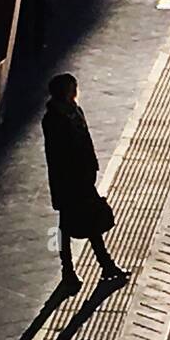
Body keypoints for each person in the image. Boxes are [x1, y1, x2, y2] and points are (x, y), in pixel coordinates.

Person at [42, 74, 127, 287]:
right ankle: (74, 269)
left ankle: (98, 266)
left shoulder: (74, 111)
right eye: (72, 88)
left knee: (85, 221)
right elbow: (60, 153)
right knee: (69, 225)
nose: (75, 92)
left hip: (82, 177)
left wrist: (91, 166)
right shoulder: (54, 119)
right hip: (68, 181)